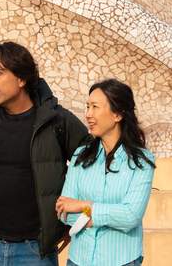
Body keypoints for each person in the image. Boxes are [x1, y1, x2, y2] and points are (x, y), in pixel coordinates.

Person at [0, 41, 90, 266]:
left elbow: (90, 163)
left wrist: (72, 220)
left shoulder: (57, 120)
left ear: (21, 78)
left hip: (36, 250)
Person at [55, 79, 155, 266]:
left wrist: (85, 205)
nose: (88, 114)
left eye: (95, 107)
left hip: (122, 260)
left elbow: (131, 216)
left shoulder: (141, 161)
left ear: (117, 114)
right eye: (87, 107)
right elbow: (64, 211)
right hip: (79, 259)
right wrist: (99, 214)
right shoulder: (80, 156)